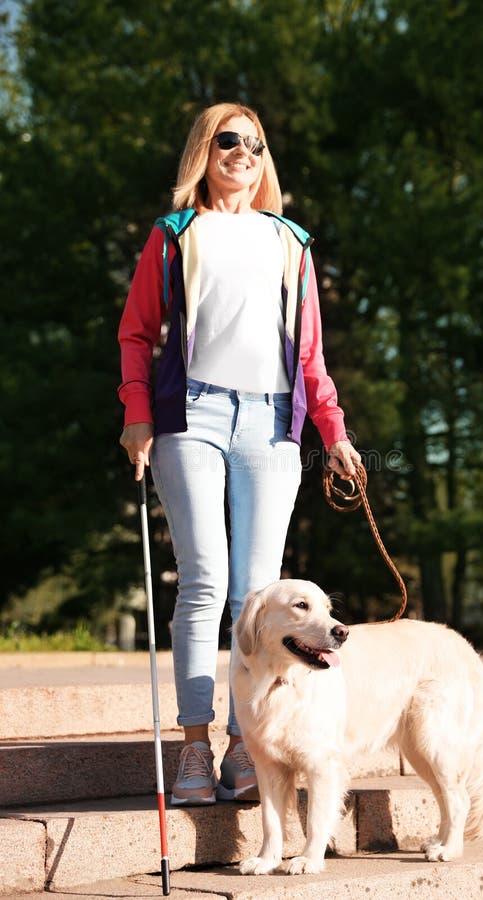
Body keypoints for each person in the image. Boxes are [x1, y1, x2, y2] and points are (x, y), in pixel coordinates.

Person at [118, 102, 360, 806]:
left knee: (257, 598)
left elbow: (310, 353)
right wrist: (137, 414)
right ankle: (194, 750)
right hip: (189, 413)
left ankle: (243, 746)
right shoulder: (176, 235)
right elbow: (137, 334)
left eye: (254, 144)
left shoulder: (290, 241)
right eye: (229, 141)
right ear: (205, 150)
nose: (243, 153)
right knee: (203, 581)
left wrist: (334, 430)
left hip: (270, 423)